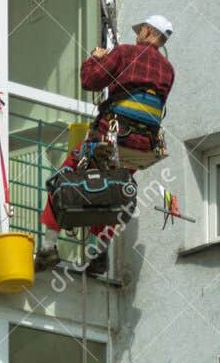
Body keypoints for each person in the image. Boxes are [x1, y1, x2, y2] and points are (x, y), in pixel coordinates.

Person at [36, 14, 176, 275]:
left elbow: (90, 81)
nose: (137, 34)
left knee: (63, 179)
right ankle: (99, 252)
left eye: (140, 30)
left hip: (110, 137)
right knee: (108, 189)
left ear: (147, 31)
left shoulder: (124, 54)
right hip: (140, 146)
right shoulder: (168, 71)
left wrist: (97, 58)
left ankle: (47, 248)